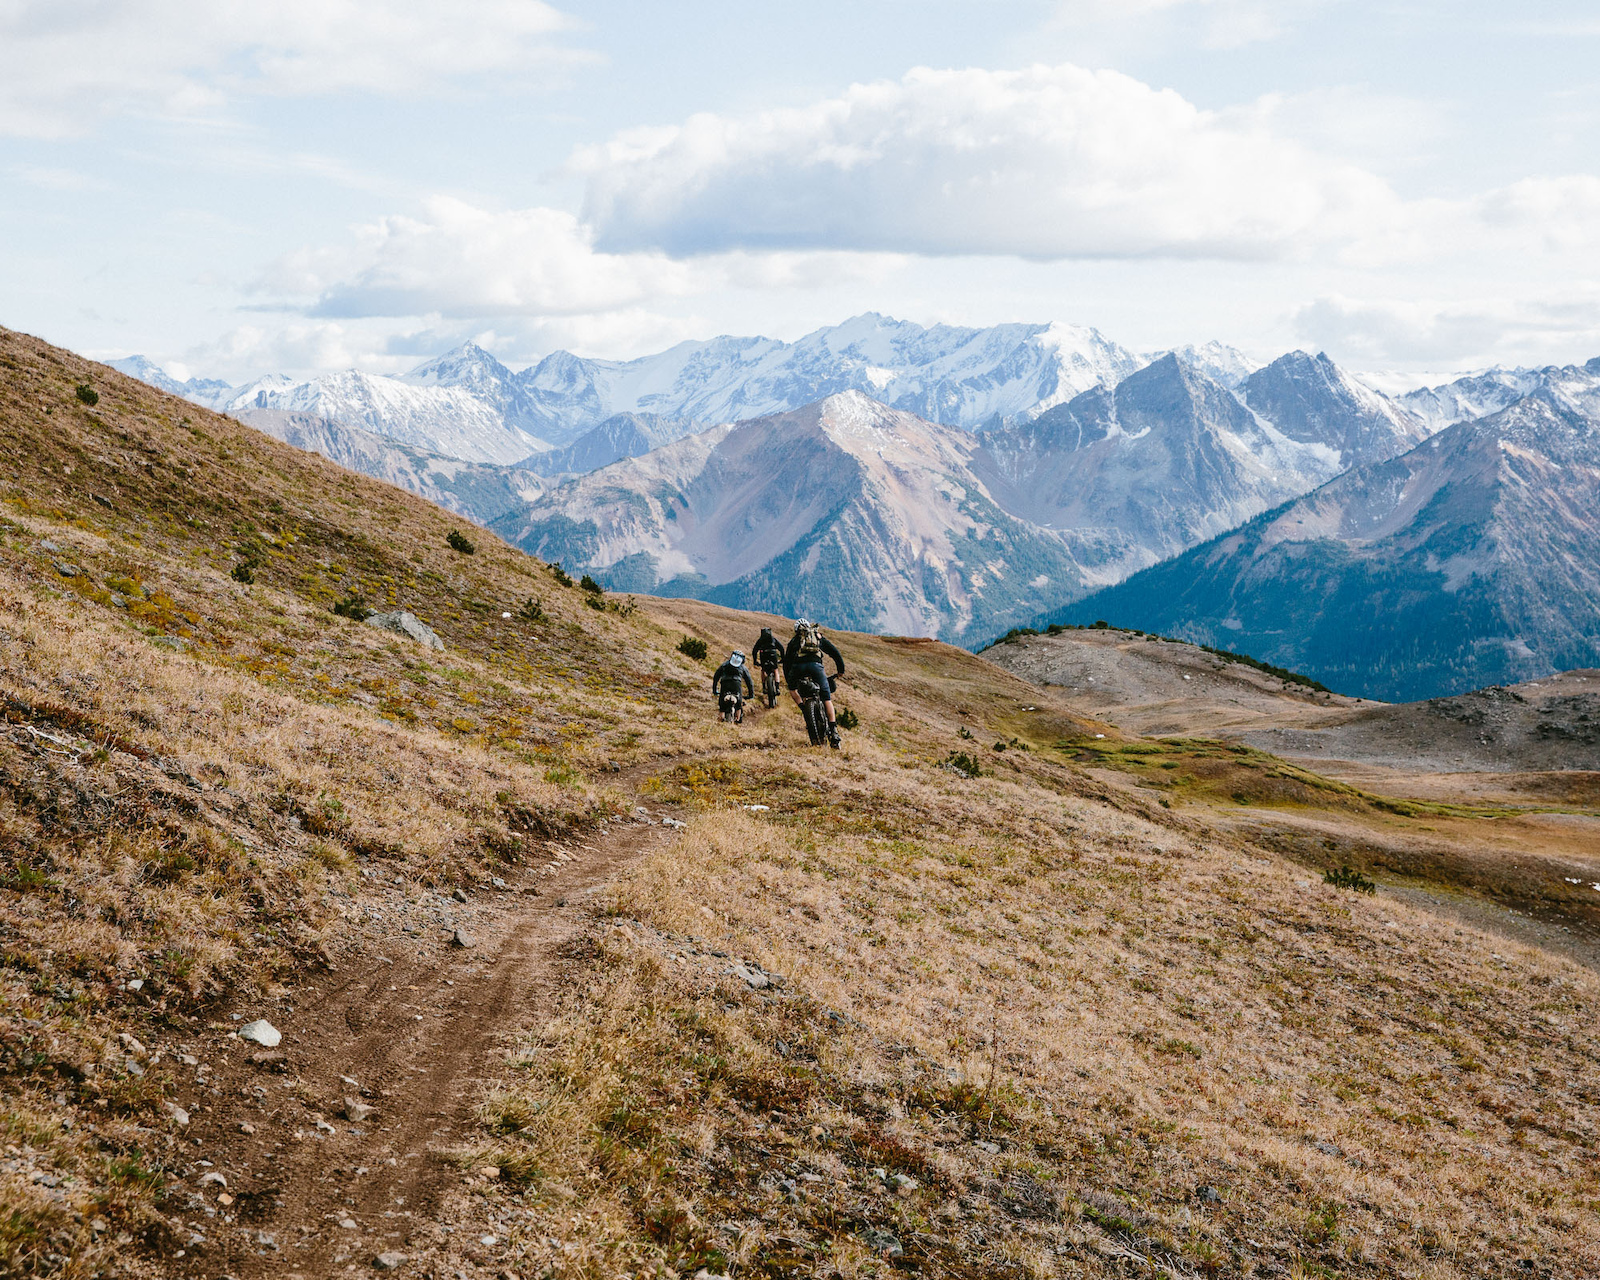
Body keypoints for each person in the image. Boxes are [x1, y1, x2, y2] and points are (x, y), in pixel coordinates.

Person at [783, 618, 844, 748]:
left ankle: (804, 708)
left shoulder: (794, 641)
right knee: (826, 698)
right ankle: (834, 731)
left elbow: (786, 662)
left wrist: (789, 680)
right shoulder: (817, 637)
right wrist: (840, 670)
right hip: (816, 668)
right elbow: (834, 652)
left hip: (798, 668)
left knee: (793, 690)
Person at [711, 650, 753, 722]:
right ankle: (737, 719)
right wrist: (751, 694)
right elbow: (749, 682)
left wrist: (714, 690)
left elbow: (716, 677)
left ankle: (721, 718)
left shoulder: (724, 665)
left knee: (722, 704)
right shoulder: (743, 667)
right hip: (736, 684)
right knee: (738, 704)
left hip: (724, 684)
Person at [751, 626, 784, 702]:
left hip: (763, 656)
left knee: (763, 670)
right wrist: (782, 659)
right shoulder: (773, 639)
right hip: (773, 655)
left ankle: (764, 687)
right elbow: (781, 648)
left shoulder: (760, 640)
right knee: (775, 670)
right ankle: (777, 688)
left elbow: (754, 651)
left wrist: (755, 661)